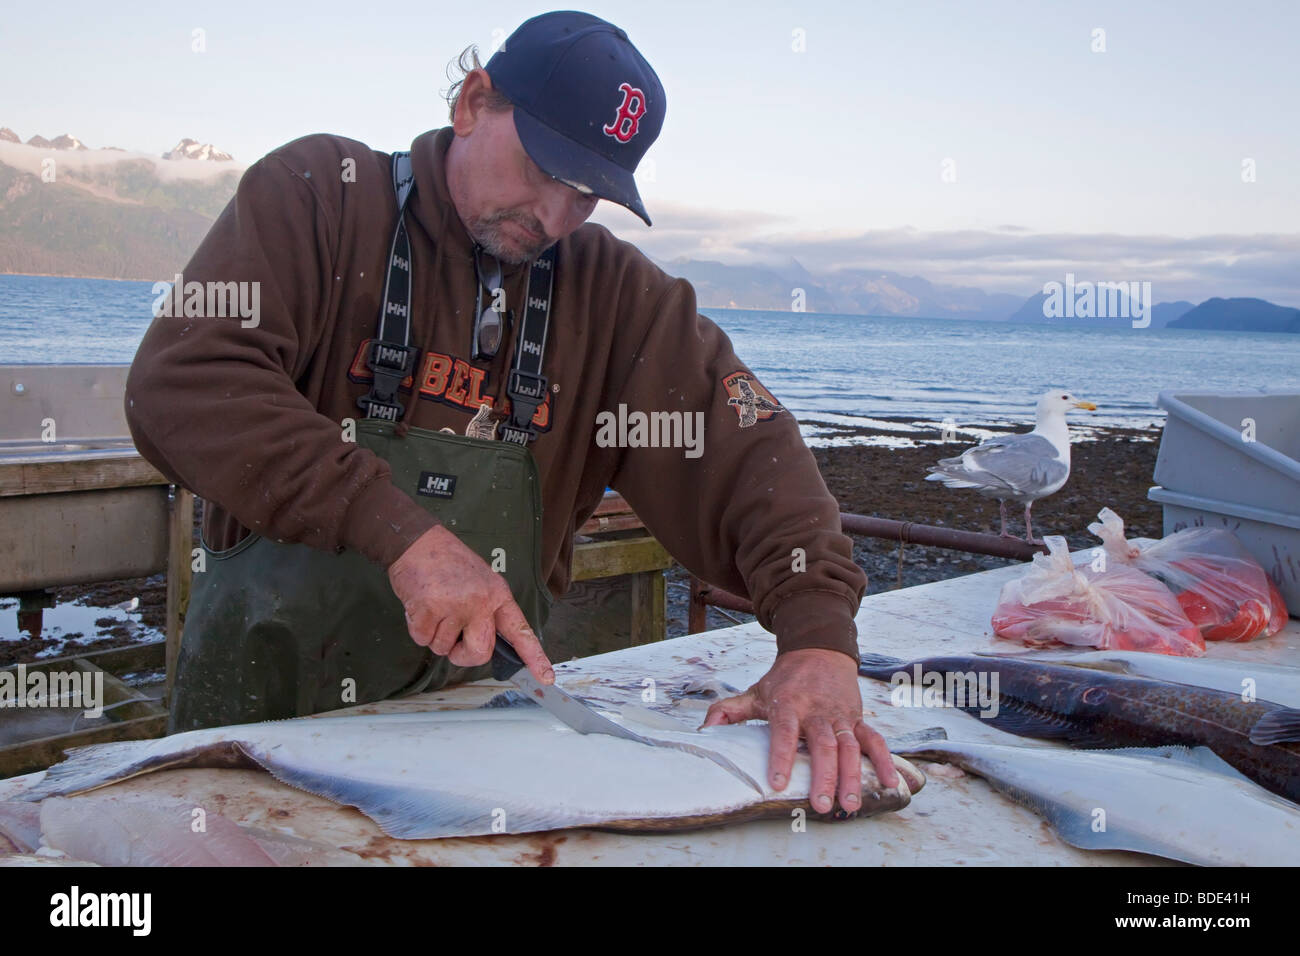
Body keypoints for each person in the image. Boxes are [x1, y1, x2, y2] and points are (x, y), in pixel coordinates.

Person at [125, 10, 898, 816]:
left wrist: (816, 636)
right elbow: (181, 383)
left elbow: (750, 447)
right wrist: (398, 533)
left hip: (475, 766)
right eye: (544, 167)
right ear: (473, 101)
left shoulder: (614, 298)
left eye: (588, 194)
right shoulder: (319, 197)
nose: (557, 216)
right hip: (250, 747)